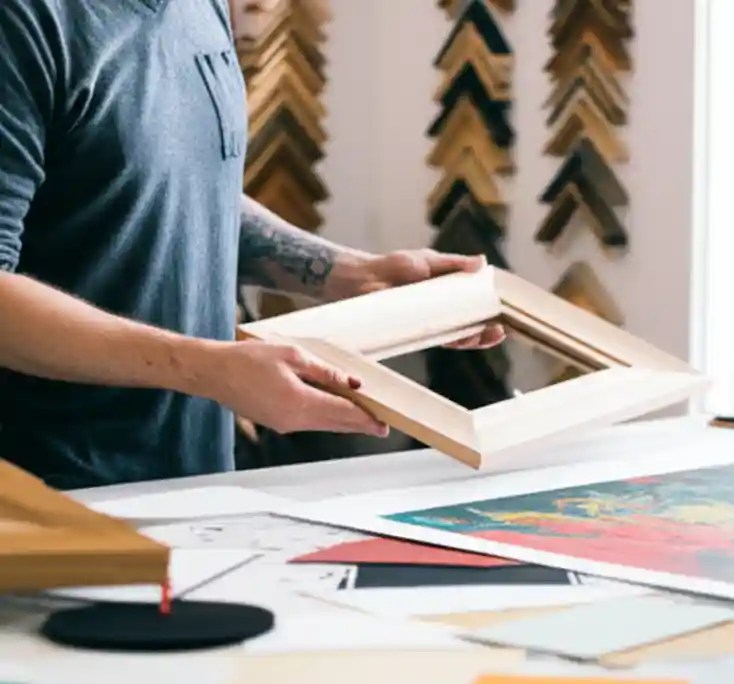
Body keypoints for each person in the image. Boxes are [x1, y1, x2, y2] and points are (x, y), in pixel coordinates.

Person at [0, 0, 505, 490]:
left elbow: (170, 180)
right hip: (51, 503)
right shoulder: (21, 22)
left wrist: (348, 272)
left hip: (198, 480)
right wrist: (207, 369)